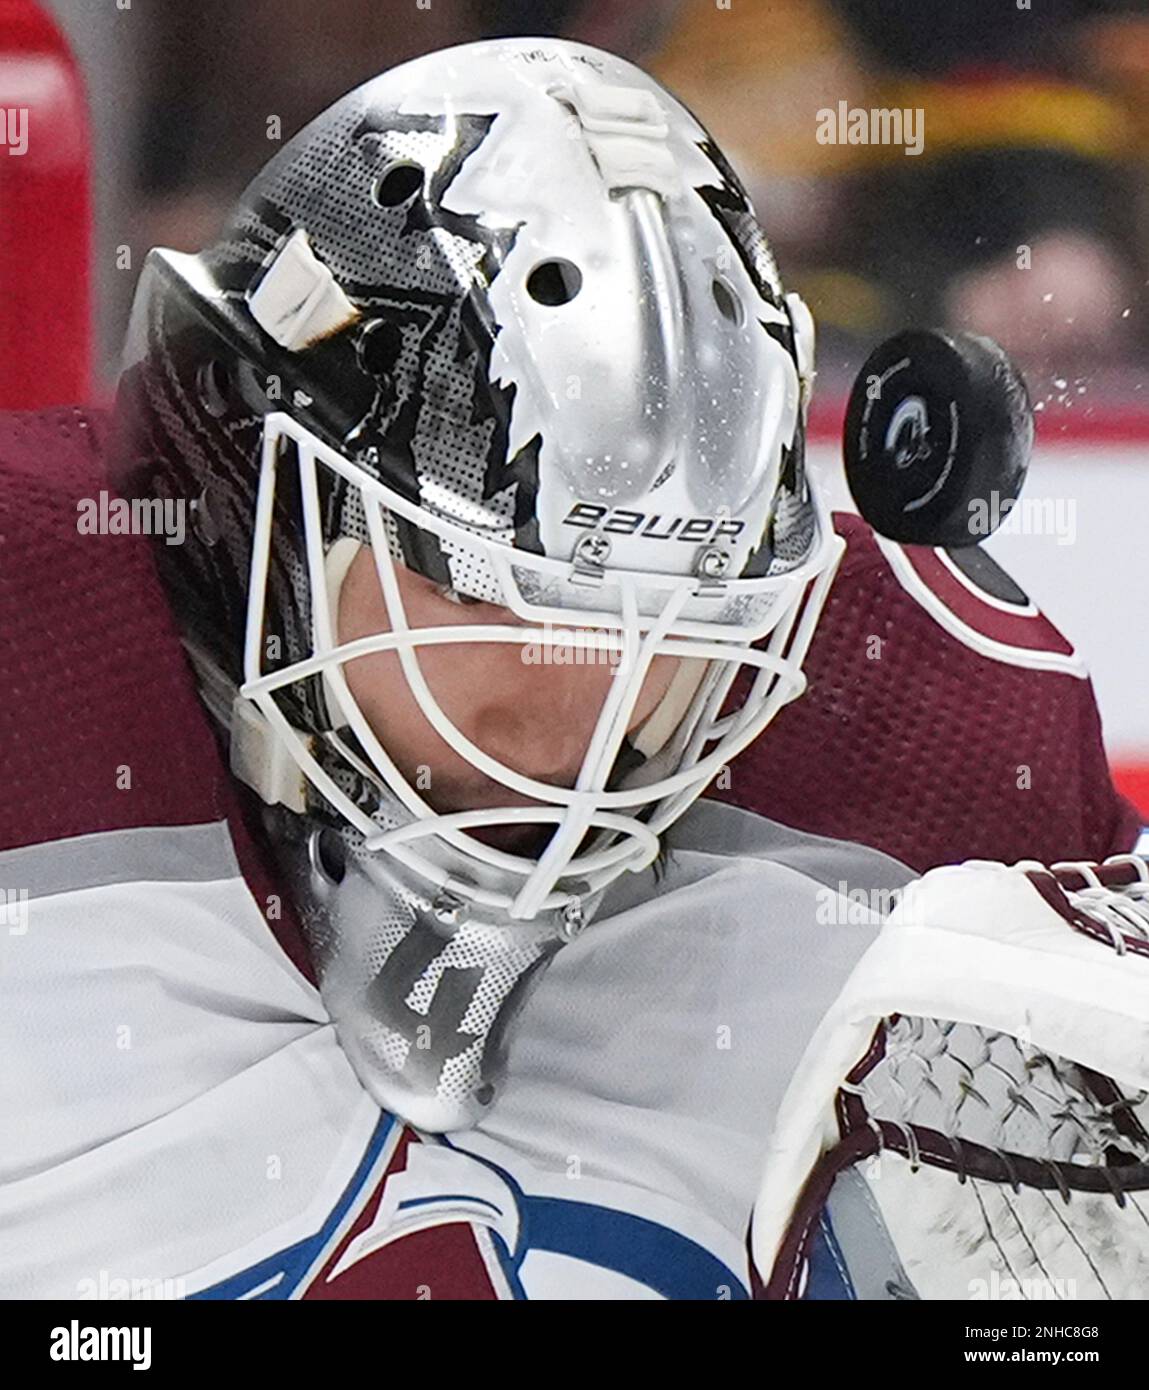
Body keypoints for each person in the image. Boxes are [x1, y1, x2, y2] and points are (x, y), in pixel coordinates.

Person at [0, 37, 1138, 1301]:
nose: (590, 697)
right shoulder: (38, 634)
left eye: (675, 616)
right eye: (496, 593)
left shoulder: (926, 730)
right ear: (258, 502)